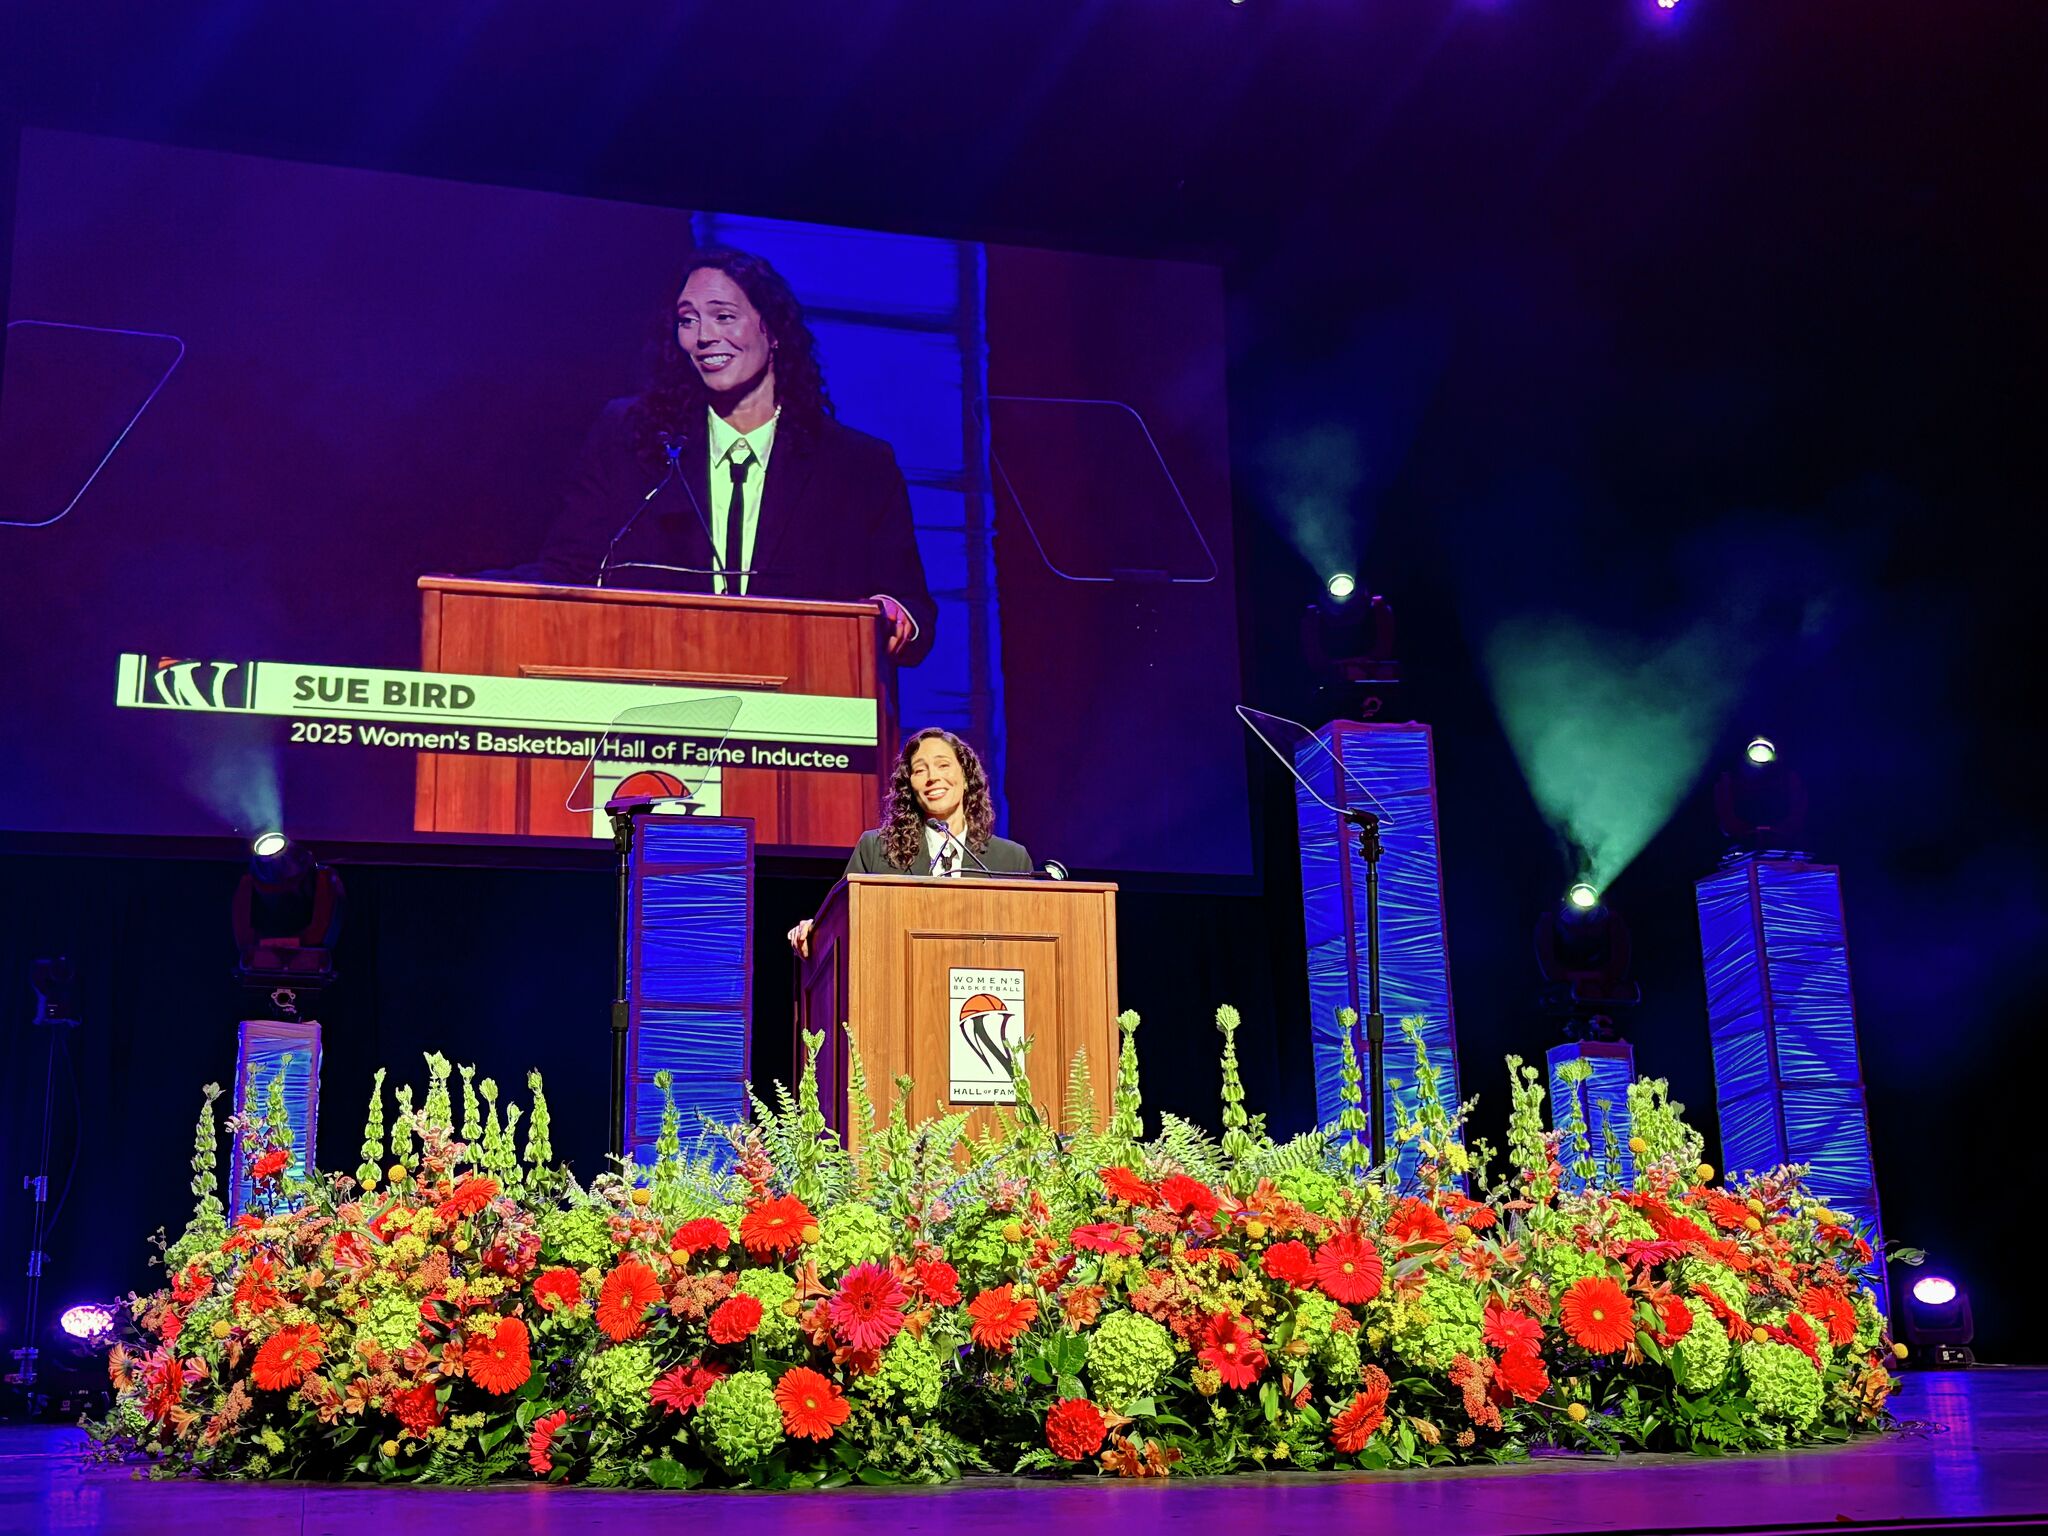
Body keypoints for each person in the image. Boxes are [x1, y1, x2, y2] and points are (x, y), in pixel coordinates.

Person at [538, 247, 936, 664]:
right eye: (688, 319)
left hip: (802, 699)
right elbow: (566, 570)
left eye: (723, 316)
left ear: (774, 329)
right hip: (657, 690)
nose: (703, 336)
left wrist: (892, 613)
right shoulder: (631, 437)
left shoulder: (857, 466)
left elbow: (912, 608)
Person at [788, 727, 1030, 954]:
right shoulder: (876, 849)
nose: (932, 777)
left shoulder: (1010, 860)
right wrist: (814, 932)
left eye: (943, 765)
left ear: (966, 778)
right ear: (909, 787)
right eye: (919, 770)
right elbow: (841, 922)